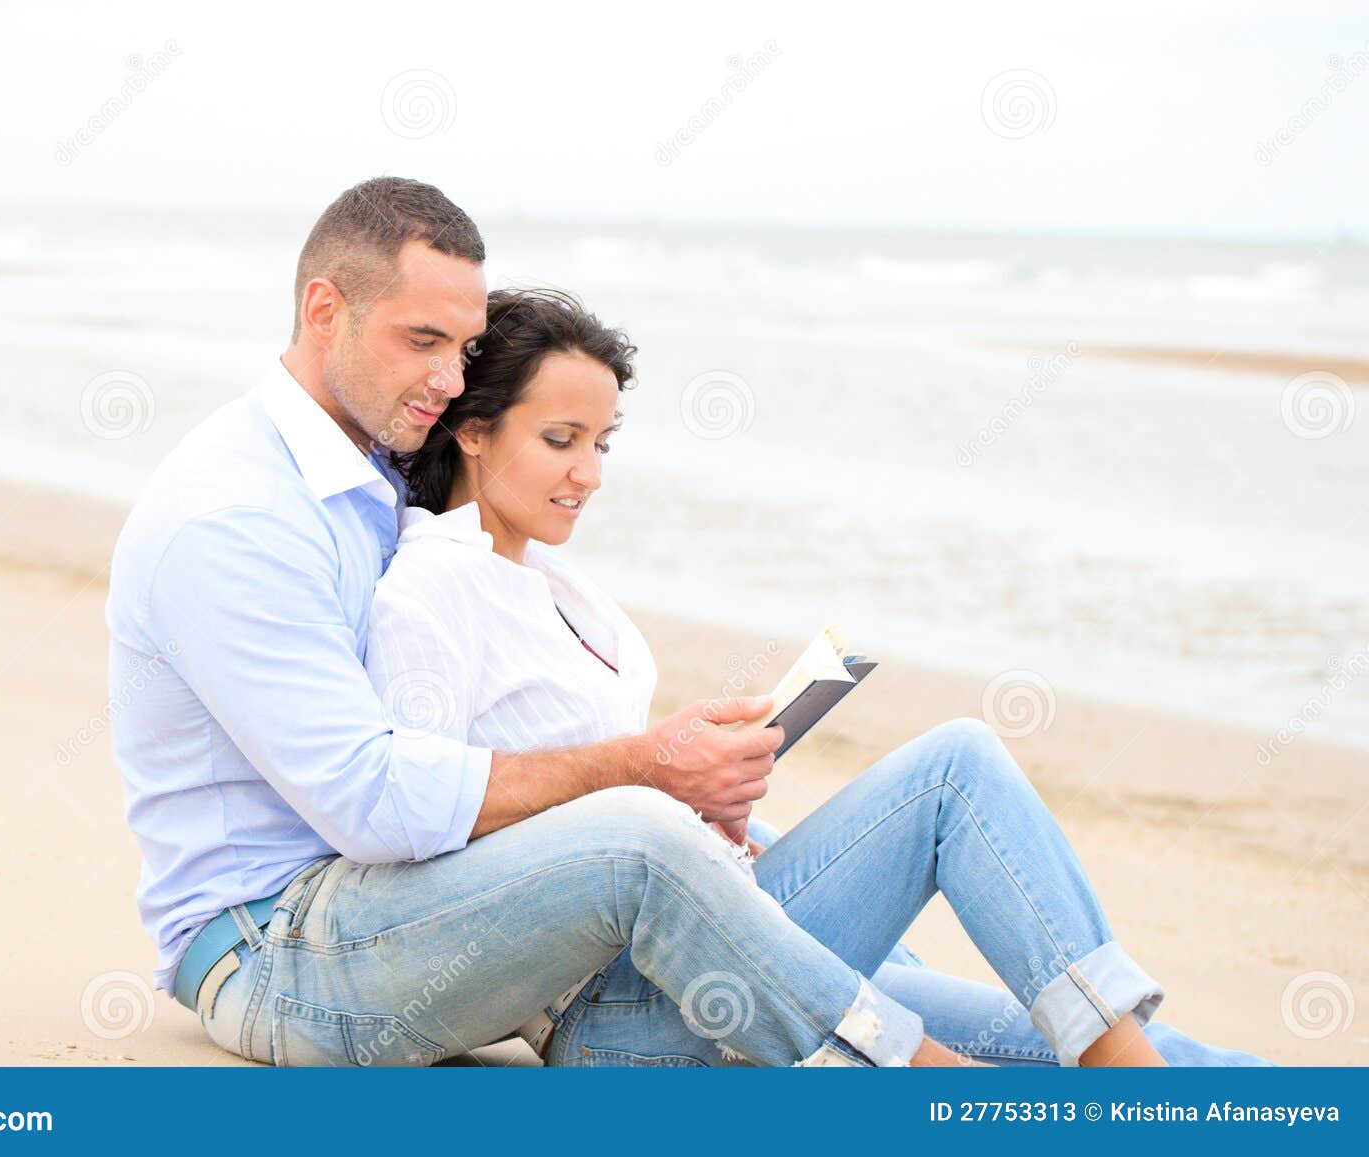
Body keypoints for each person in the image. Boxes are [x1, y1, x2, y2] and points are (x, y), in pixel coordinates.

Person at [105, 176, 1269, 1067]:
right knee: (650, 840)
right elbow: (372, 799)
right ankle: (912, 1086)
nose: (453, 378)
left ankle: (1201, 1099)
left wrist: (688, 792)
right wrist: (647, 771)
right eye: (426, 342)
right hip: (283, 948)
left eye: (465, 350)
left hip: (463, 925)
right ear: (325, 308)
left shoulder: (368, 480)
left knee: (988, 907)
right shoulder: (240, 518)